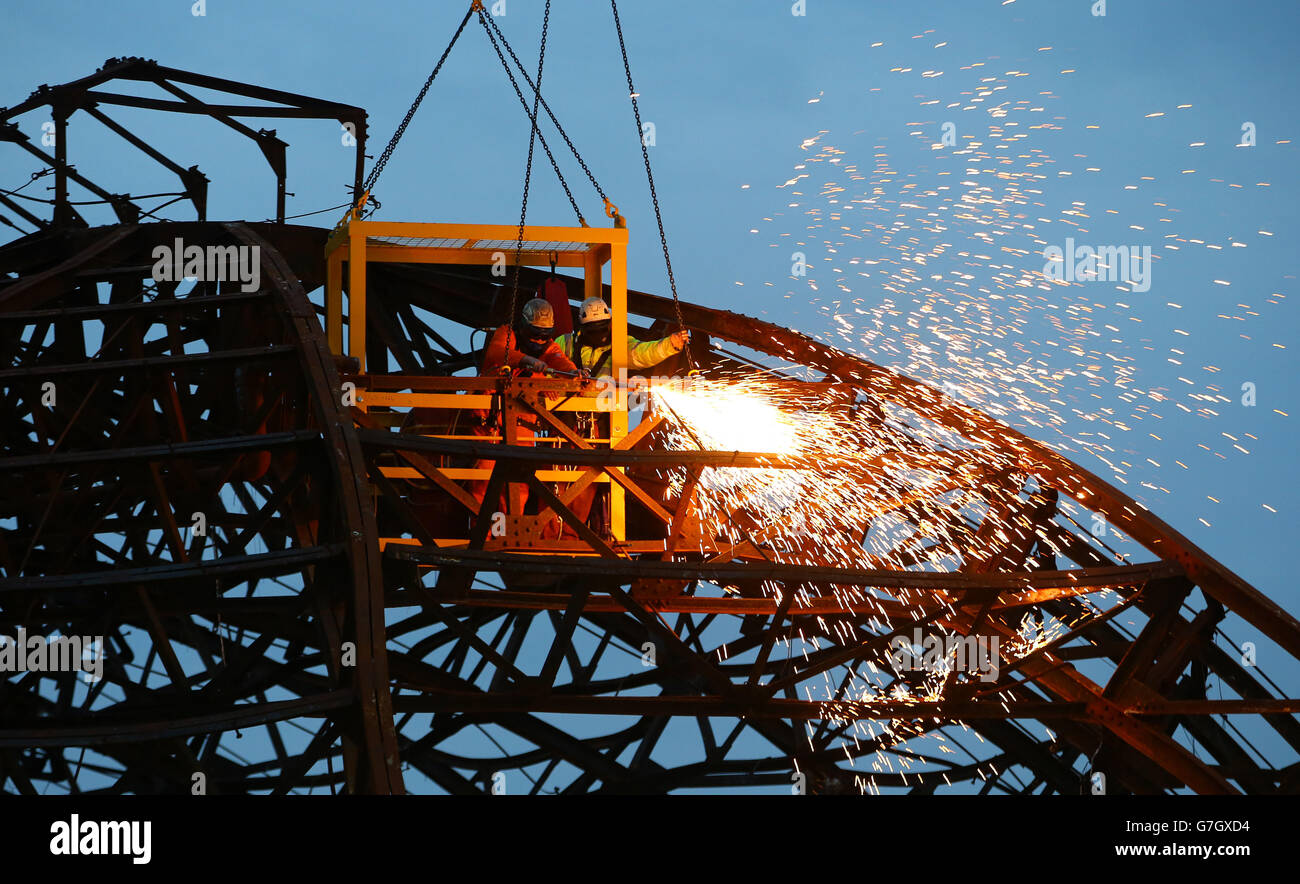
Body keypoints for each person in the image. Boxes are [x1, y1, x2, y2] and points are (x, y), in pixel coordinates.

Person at [468, 298, 578, 515]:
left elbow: (561, 362)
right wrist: (528, 361)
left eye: (544, 335)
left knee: (519, 481)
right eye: (535, 332)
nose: (538, 339)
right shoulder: (506, 335)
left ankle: (511, 529)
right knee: (485, 479)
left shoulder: (549, 348)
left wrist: (574, 374)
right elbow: (497, 354)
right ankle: (484, 538)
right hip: (489, 419)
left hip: (522, 422)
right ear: (524, 325)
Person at [554, 296, 689, 376]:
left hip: (605, 414)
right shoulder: (566, 343)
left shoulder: (619, 344)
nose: (599, 335)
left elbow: (643, 354)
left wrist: (670, 344)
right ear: (582, 328)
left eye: (602, 328)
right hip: (565, 409)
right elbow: (548, 366)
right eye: (593, 330)